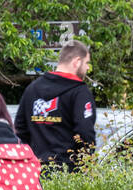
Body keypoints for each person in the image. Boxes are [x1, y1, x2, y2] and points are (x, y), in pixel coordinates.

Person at [13, 41, 96, 171]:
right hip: (67, 177)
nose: (87, 68)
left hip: (35, 173)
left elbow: (20, 130)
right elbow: (85, 134)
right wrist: (85, 167)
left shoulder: (33, 89)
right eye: (86, 63)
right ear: (77, 61)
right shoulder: (80, 92)